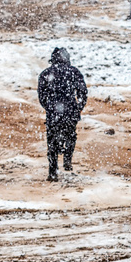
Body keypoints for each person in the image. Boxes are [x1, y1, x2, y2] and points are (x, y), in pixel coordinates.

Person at [37, 47, 88, 182]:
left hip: (54, 112)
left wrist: (48, 107)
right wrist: (79, 107)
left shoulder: (46, 74)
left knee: (52, 141)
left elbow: (42, 96)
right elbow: (83, 92)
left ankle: (52, 172)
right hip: (70, 111)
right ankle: (67, 159)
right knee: (71, 135)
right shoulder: (74, 72)